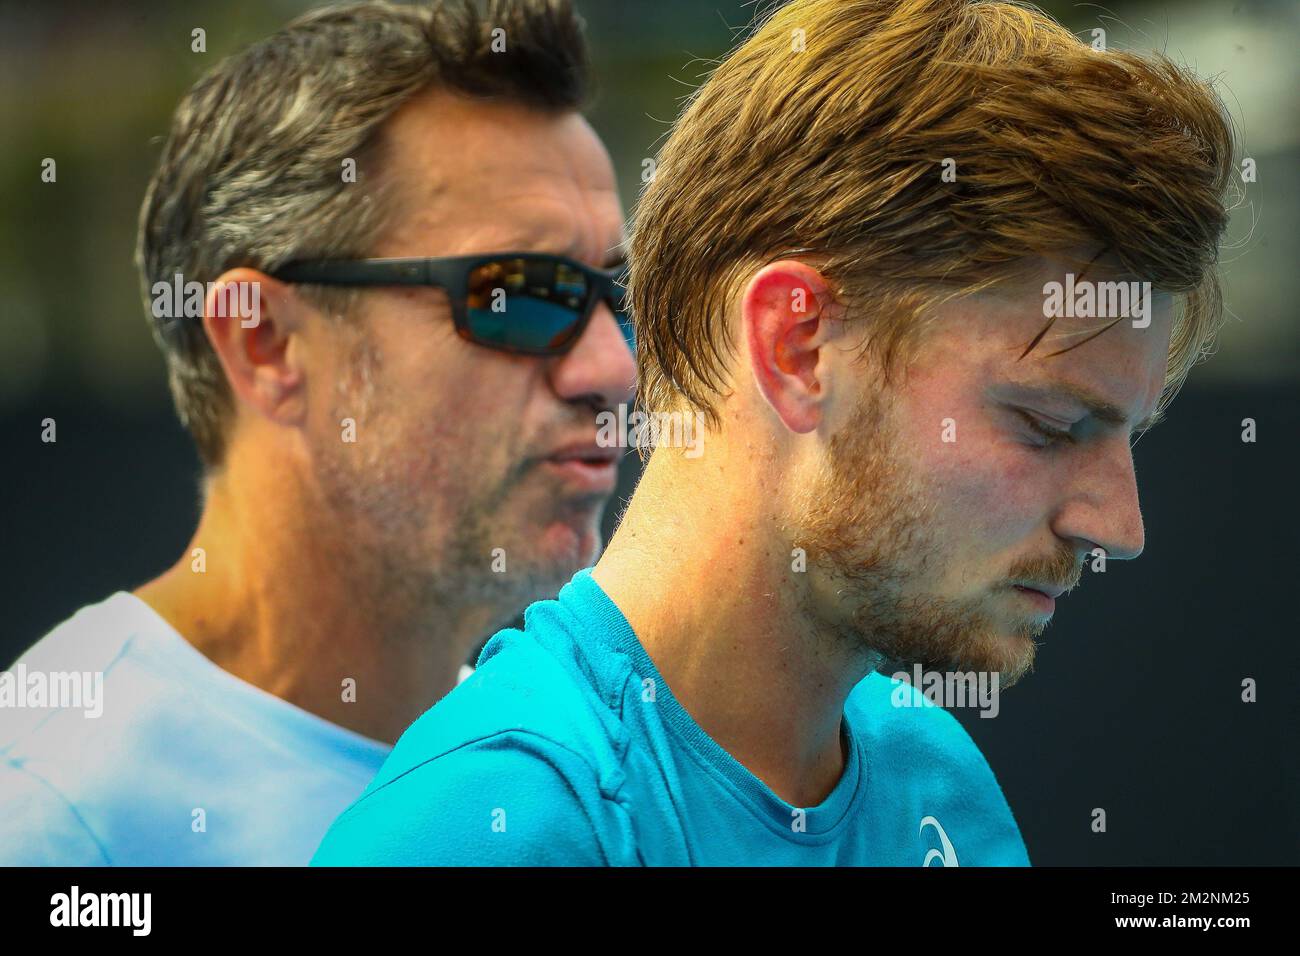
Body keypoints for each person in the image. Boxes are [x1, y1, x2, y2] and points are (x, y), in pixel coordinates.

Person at [312, 0, 1236, 866]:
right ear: (797, 347)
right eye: (1049, 424)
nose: (1119, 526)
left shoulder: (938, 783)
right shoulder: (489, 824)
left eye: (1126, 435)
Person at [0, 0, 634, 865]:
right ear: (266, 343)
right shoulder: (55, 811)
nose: (610, 370)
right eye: (517, 294)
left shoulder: (568, 762)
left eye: (615, 294)